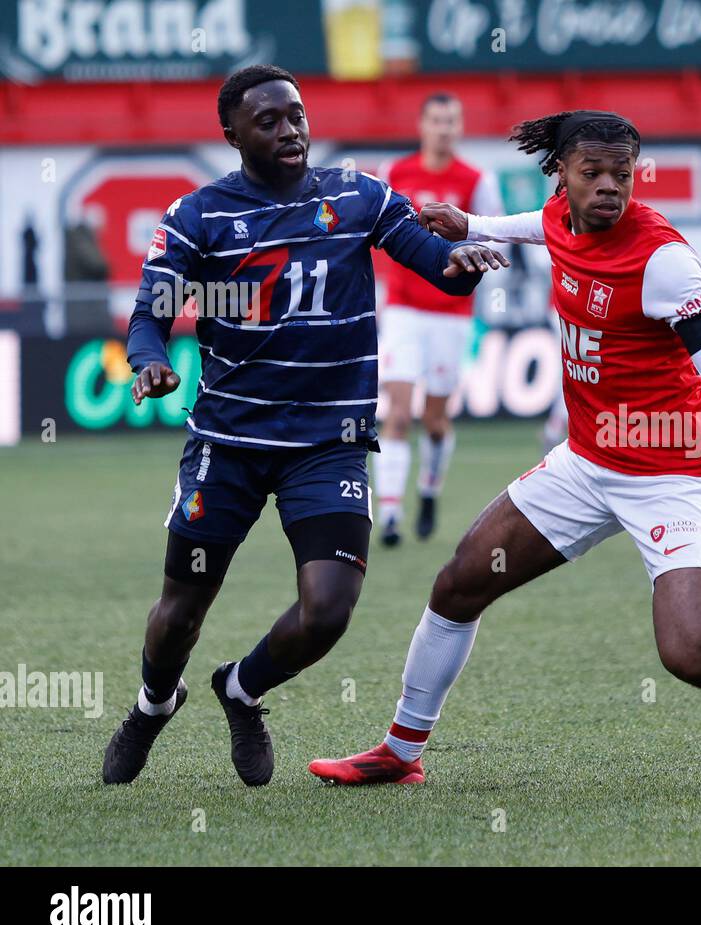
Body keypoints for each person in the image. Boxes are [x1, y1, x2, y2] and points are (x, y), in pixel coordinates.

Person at [309, 110, 701, 785]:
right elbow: (532, 226)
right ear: (560, 175)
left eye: (621, 174)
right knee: (459, 584)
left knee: (690, 656)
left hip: (672, 473)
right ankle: (401, 750)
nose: (608, 187)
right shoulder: (558, 218)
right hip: (586, 463)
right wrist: (469, 225)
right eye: (592, 173)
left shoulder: (664, 261)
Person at [101, 64, 506, 786]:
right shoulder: (198, 216)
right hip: (228, 445)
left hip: (328, 444)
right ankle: (153, 704)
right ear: (232, 135)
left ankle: (240, 689)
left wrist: (463, 261)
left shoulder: (357, 196)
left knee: (327, 610)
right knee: (180, 613)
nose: (290, 130)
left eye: (297, 115)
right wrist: (150, 361)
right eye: (269, 121)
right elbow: (149, 313)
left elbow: (436, 264)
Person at [373, 92, 506, 546]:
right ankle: (390, 514)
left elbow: (494, 233)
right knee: (396, 413)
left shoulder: (477, 180)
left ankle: (428, 490)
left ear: (459, 127)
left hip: (451, 314)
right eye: (436, 120)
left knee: (434, 419)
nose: (443, 128)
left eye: (451, 121)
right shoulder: (396, 172)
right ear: (422, 125)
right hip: (404, 308)